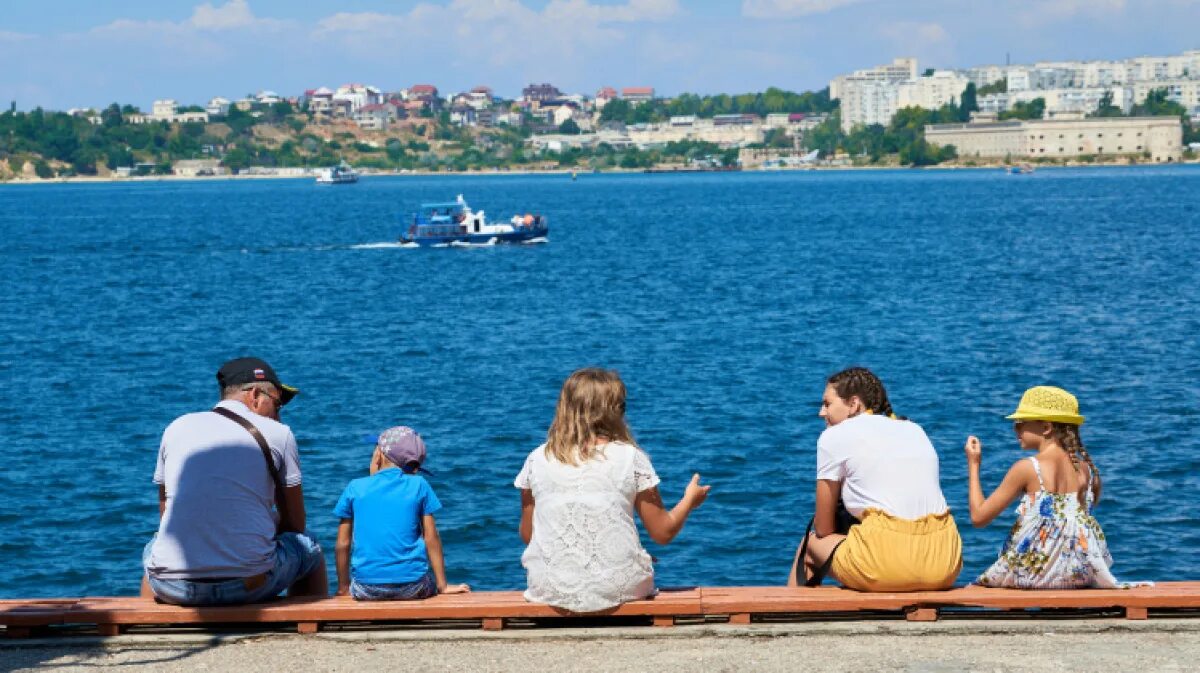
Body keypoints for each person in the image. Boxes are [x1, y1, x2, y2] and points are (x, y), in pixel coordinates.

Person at [515, 368, 710, 613]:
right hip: (619, 590)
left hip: (549, 589)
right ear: (613, 413)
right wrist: (689, 501)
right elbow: (663, 532)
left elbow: (528, 534)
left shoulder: (537, 459)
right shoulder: (630, 458)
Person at [142, 357, 327, 605]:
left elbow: (166, 513)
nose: (279, 415)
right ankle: (306, 629)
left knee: (158, 544)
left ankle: (147, 626)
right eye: (277, 404)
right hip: (246, 587)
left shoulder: (176, 427)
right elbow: (295, 523)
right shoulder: (279, 434)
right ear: (255, 395)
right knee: (309, 546)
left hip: (172, 587)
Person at [789, 367, 961, 591]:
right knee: (861, 544)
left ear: (853, 404)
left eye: (827, 404)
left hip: (886, 564)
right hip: (945, 560)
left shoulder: (833, 436)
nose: (821, 413)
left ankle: (786, 619)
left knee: (810, 545)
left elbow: (823, 529)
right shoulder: (914, 429)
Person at [966, 386, 1141, 588]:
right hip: (1079, 574)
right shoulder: (1086, 469)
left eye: (1021, 423)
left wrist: (974, 464)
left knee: (988, 581)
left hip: (1036, 574)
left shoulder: (1027, 468)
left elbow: (979, 517)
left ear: (1047, 427)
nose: (1016, 429)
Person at [333, 426, 469, 600]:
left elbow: (342, 543)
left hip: (366, 589)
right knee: (426, 582)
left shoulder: (355, 487)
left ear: (379, 454)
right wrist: (442, 585)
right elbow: (431, 537)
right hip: (413, 587)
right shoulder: (419, 485)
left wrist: (343, 587)